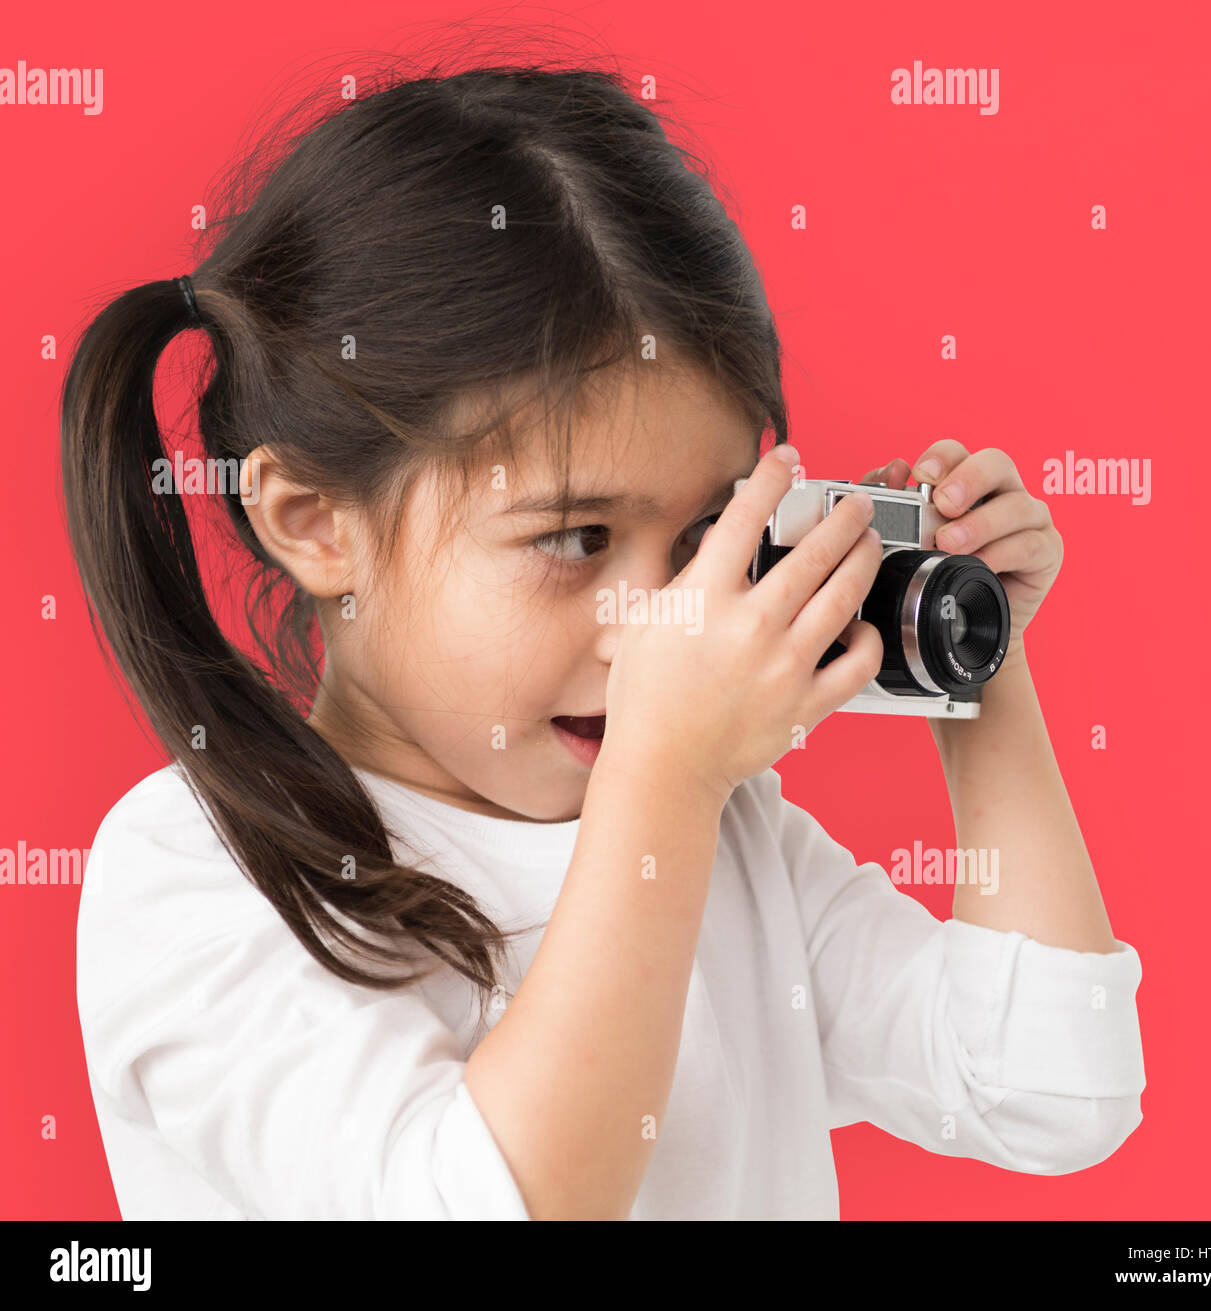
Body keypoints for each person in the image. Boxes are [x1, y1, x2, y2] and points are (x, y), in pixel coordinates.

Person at [61, 60, 1144, 1221]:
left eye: (703, 538)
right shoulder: (201, 871)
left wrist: (969, 672)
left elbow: (1050, 1090)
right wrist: (666, 782)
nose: (657, 629)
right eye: (576, 538)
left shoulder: (729, 836)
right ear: (318, 524)